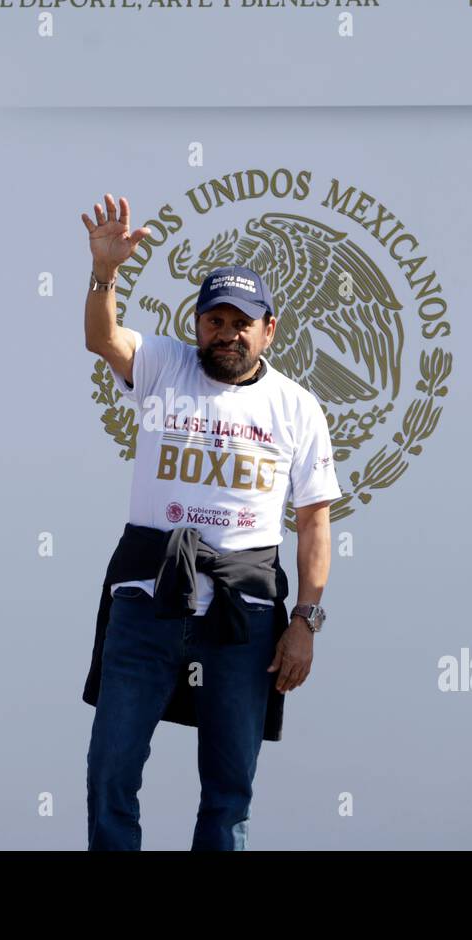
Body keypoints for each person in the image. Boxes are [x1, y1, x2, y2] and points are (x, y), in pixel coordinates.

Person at [80, 192, 342, 850]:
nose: (225, 332)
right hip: (146, 602)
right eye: (213, 319)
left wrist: (305, 621)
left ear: (269, 329)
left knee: (228, 791)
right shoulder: (165, 364)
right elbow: (101, 337)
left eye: (241, 321)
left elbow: (314, 524)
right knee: (110, 770)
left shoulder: (298, 407)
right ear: (196, 324)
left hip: (244, 615)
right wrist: (105, 272)